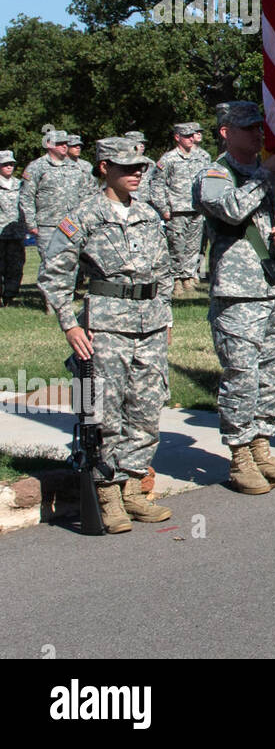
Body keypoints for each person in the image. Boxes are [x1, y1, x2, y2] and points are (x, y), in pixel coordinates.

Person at [38, 137, 173, 532]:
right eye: (127, 168)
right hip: (106, 327)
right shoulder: (83, 216)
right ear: (104, 168)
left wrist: (165, 318)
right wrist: (70, 323)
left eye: (140, 168)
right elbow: (53, 273)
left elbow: (163, 272)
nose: (136, 174)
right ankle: (107, 494)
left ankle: (133, 487)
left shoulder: (148, 214)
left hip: (149, 323)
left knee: (147, 410)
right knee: (104, 414)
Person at [197, 101, 275, 493]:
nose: (258, 134)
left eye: (259, 127)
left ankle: (262, 444)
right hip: (239, 293)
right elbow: (229, 210)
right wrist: (265, 175)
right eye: (248, 128)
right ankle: (240, 454)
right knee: (242, 374)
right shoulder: (215, 174)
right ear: (225, 131)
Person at [20, 129, 89, 313]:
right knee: (50, 263)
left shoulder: (75, 167)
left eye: (66, 143)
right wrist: (31, 224)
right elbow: (26, 197)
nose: (65, 146)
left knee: (71, 262)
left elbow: (85, 193)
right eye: (60, 143)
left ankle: (66, 300)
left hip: (70, 223)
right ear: (49, 145)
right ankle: (51, 303)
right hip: (47, 224)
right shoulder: (37, 167)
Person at [150, 122, 211, 294]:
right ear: (177, 137)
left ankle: (188, 277)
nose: (191, 139)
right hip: (175, 209)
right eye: (187, 136)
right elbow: (157, 185)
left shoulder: (203, 157)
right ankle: (176, 279)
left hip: (197, 209)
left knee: (194, 246)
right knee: (176, 246)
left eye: (193, 135)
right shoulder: (168, 159)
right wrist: (163, 208)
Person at [0, 151, 25, 307]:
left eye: (11, 164)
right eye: (5, 164)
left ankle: (10, 296)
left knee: (16, 266)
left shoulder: (21, 185)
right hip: (0, 234)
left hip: (16, 233)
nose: (9, 167)